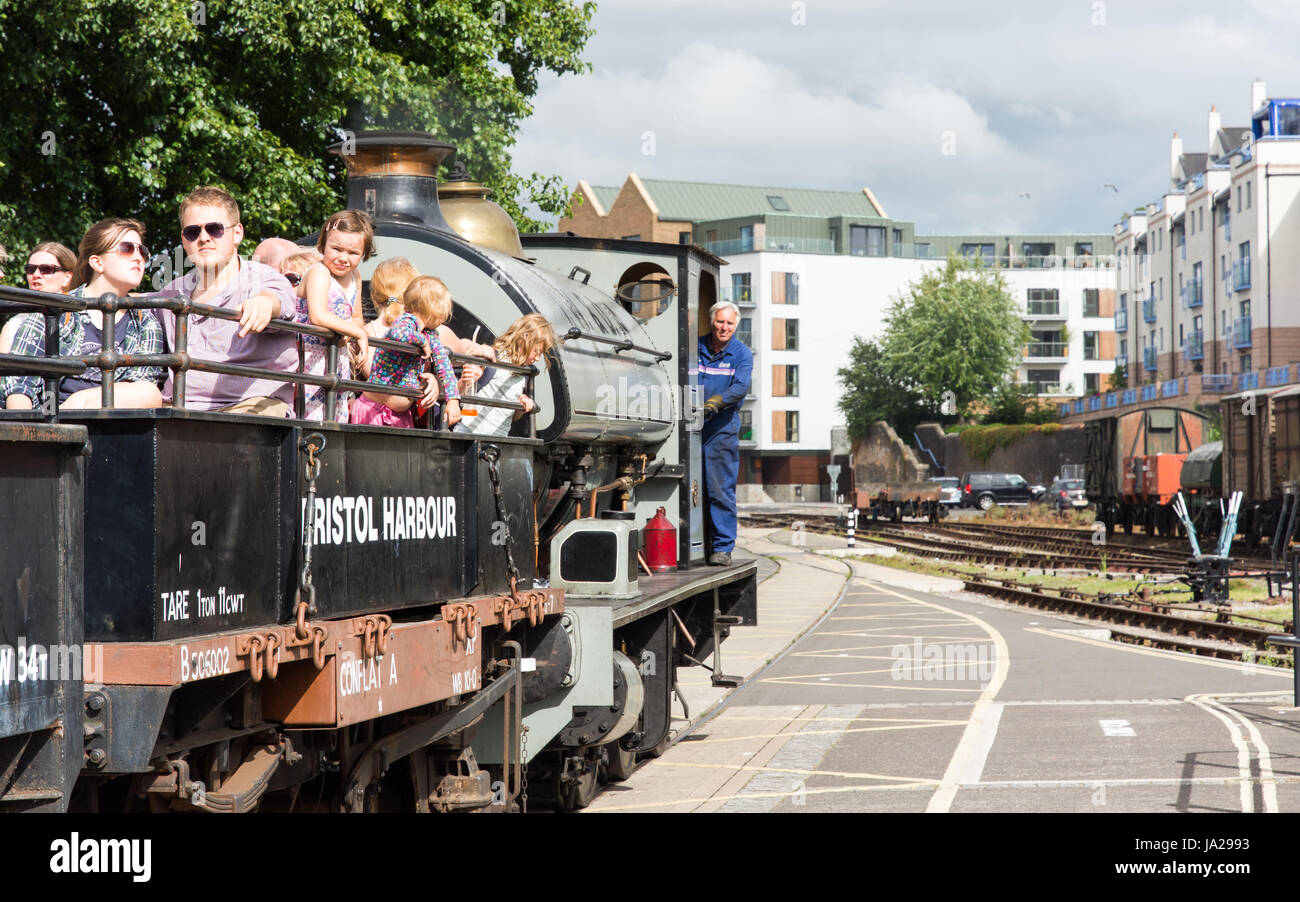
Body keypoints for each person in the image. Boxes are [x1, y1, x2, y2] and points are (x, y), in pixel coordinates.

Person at [154, 186, 298, 416]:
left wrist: (263, 304)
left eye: (215, 229)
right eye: (193, 231)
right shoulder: (172, 292)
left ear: (237, 233)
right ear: (184, 239)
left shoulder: (263, 279)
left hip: (250, 405)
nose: (203, 238)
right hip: (177, 407)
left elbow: (279, 299)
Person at [1, 219, 165, 410]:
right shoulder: (54, 311)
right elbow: (19, 388)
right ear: (97, 262)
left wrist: (80, 400)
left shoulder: (146, 323)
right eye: (126, 248)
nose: (138, 257)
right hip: (50, 419)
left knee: (148, 392)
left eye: (142, 251)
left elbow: (140, 387)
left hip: (114, 424)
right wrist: (33, 434)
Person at [353, 276, 461, 429]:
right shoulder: (406, 321)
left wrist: (453, 400)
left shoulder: (431, 335)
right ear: (436, 310)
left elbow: (445, 367)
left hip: (400, 416)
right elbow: (398, 333)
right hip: (372, 409)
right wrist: (421, 341)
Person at [296, 210, 372, 422]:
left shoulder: (355, 276)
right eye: (336, 249)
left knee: (335, 415)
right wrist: (358, 333)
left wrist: (351, 328)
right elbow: (318, 315)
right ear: (323, 244)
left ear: (363, 253)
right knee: (309, 417)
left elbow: (357, 317)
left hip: (336, 359)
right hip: (308, 359)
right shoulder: (319, 273)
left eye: (353, 253)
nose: (343, 258)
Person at [698, 300, 753, 566]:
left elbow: (741, 387)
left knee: (720, 490)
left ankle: (722, 548)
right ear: (712, 321)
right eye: (720, 321)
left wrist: (716, 401)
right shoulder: (695, 348)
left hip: (721, 430)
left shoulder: (741, 354)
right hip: (690, 427)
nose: (724, 327)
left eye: (730, 323)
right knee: (689, 488)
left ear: (736, 325)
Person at [455, 313, 554, 437]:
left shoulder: (524, 375)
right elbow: (457, 392)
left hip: (499, 437)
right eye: (536, 351)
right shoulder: (491, 358)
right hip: (470, 432)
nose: (538, 358)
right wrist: (465, 380)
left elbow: (510, 417)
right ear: (524, 339)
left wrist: (521, 406)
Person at [1, 241, 76, 354]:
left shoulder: (84, 318)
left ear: (67, 277)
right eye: (30, 269)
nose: (36, 275)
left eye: (46, 269)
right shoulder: (16, 324)